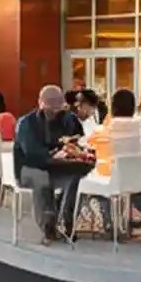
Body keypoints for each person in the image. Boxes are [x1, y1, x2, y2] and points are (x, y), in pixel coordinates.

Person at [14, 84, 85, 243]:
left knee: (75, 176)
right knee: (41, 177)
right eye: (51, 109)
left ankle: (65, 221)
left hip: (58, 167)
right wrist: (53, 153)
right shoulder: (27, 123)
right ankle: (47, 226)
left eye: (58, 109)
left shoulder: (69, 120)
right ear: (41, 104)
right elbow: (31, 152)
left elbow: (80, 139)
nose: (54, 113)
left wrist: (74, 147)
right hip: (28, 169)